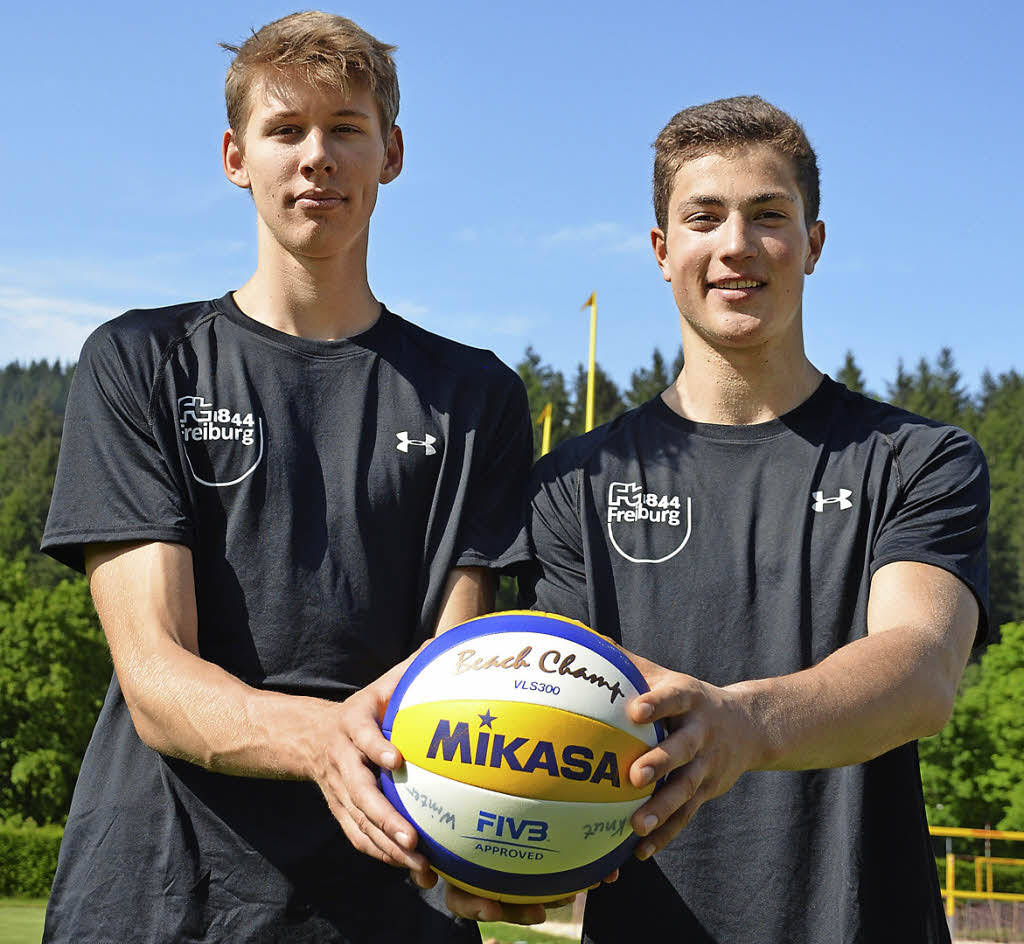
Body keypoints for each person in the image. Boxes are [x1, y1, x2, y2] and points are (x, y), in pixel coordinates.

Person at [40, 12, 533, 942]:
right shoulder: (140, 360)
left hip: (391, 892)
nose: (317, 156)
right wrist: (329, 741)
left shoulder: (474, 395)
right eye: (285, 130)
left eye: (346, 128)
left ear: (391, 153)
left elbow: (452, 672)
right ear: (237, 158)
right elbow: (155, 678)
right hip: (160, 894)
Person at [518, 96, 989, 943]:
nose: (735, 245)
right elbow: (558, 712)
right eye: (704, 218)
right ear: (663, 252)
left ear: (813, 243)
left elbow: (921, 670)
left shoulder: (919, 458)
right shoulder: (574, 484)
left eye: (768, 215)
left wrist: (744, 723)